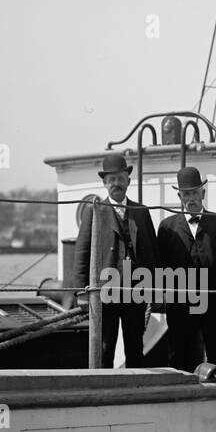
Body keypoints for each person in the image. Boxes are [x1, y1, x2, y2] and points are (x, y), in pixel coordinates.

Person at [71, 151, 158, 367]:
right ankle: (103, 389)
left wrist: (154, 289)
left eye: (120, 178)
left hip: (136, 290)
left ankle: (135, 390)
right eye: (111, 180)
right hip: (105, 291)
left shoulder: (141, 211)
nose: (116, 184)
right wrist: (82, 293)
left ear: (128, 180)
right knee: (105, 347)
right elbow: (82, 253)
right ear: (104, 183)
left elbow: (152, 253)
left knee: (135, 348)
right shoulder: (95, 211)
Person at [157, 166, 216, 372]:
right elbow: (161, 265)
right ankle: (177, 394)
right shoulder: (167, 226)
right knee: (179, 351)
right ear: (179, 196)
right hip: (180, 300)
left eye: (194, 192)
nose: (191, 198)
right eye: (186, 194)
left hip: (213, 299)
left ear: (203, 193)